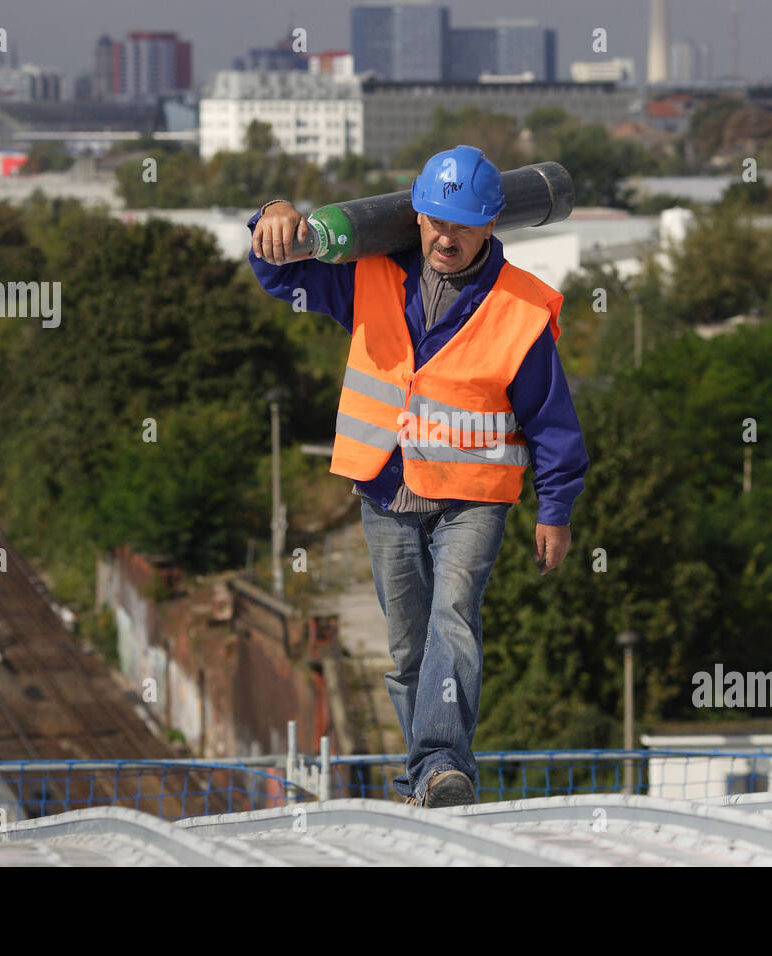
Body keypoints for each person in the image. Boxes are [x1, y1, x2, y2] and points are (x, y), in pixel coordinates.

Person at [248, 145, 588, 808]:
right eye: (434, 220)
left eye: (461, 224)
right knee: (408, 648)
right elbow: (277, 276)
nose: (445, 236)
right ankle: (428, 776)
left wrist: (557, 509)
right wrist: (273, 218)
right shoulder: (370, 273)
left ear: (493, 224)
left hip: (474, 500)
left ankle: (441, 763)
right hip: (386, 490)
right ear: (416, 217)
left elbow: (552, 419)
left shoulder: (519, 310)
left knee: (454, 618)